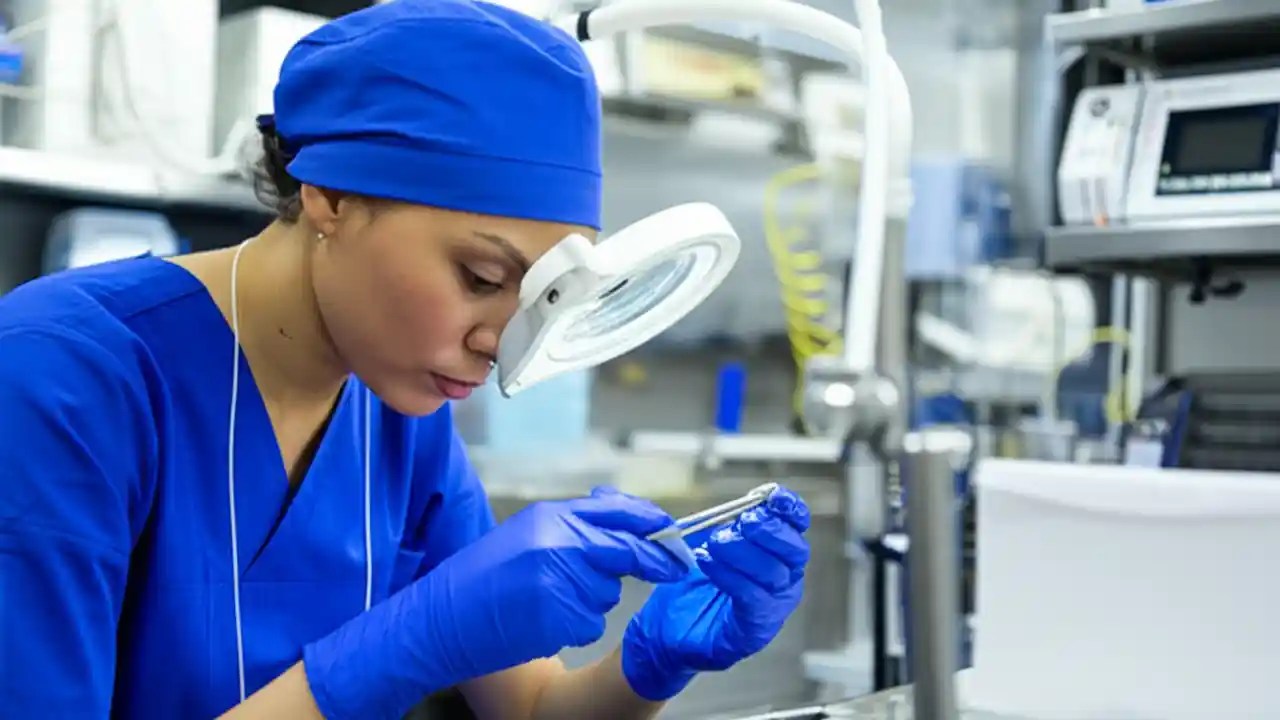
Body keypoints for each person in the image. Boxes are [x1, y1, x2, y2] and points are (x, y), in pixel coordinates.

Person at [0, 1, 812, 719]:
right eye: (481, 277)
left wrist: (647, 666)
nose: (502, 339)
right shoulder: (61, 380)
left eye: (541, 296)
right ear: (330, 195)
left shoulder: (398, 409)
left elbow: (531, 707)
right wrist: (403, 646)